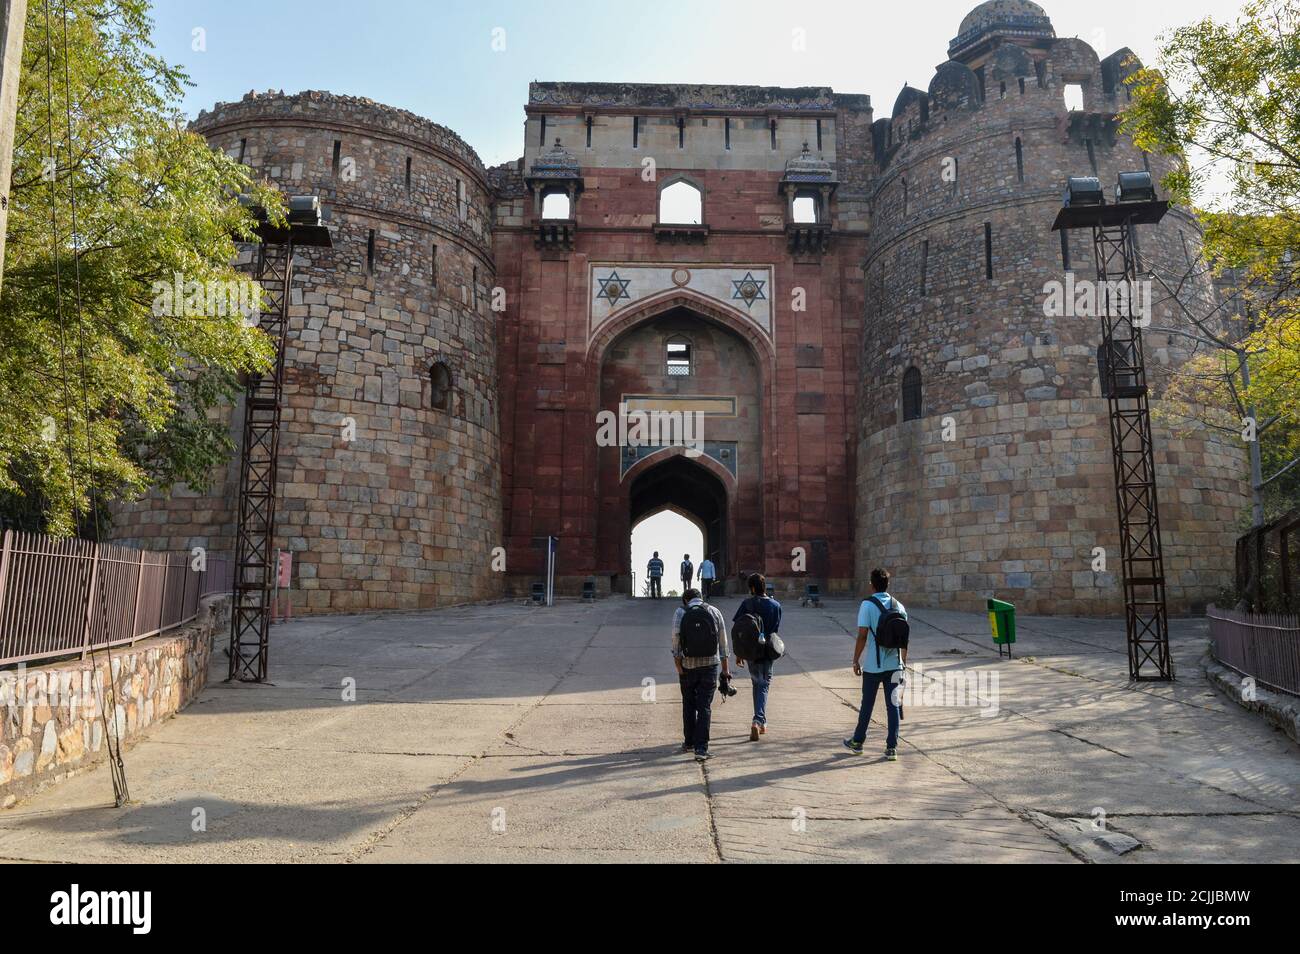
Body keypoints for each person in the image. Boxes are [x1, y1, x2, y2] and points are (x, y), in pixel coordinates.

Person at [843, 567, 907, 761]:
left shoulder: (867, 605)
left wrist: (855, 660)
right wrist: (903, 663)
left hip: (873, 665)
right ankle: (891, 748)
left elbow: (862, 635)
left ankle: (858, 742)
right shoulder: (900, 606)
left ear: (871, 585)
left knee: (867, 705)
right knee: (893, 706)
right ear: (888, 584)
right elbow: (904, 639)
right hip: (895, 664)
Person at [672, 587, 730, 761]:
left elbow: (676, 640)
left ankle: (689, 742)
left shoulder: (680, 612)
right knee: (704, 706)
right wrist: (725, 671)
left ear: (685, 600)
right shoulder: (714, 611)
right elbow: (723, 644)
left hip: (687, 666)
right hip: (710, 665)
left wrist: (678, 667)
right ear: (702, 598)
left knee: (688, 703)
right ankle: (701, 749)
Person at [733, 573, 782, 742]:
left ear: (752, 588)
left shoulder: (747, 604)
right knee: (763, 685)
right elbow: (775, 629)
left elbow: (739, 629)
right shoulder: (776, 605)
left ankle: (761, 721)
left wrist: (739, 653)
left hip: (751, 652)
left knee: (757, 684)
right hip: (768, 651)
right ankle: (758, 720)